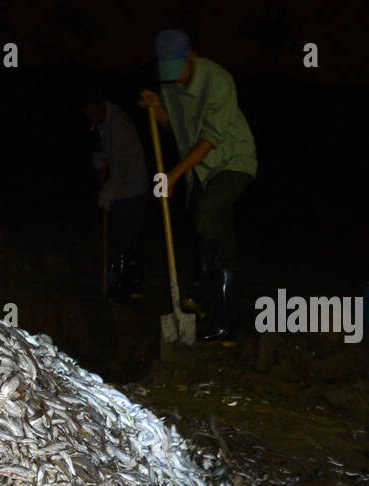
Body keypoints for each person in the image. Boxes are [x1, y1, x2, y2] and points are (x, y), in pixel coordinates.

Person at [139, 29, 257, 341]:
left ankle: (209, 300)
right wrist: (156, 107)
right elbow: (173, 125)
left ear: (192, 55)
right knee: (213, 228)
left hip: (232, 161)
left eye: (179, 70)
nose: (175, 80)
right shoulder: (170, 86)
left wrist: (173, 176)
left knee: (208, 213)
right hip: (200, 171)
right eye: (168, 73)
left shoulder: (218, 81)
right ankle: (222, 321)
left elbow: (209, 140)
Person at [83, 87, 149, 304]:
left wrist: (108, 192)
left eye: (92, 112)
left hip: (131, 188)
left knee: (124, 240)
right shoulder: (104, 122)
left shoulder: (118, 123)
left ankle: (122, 291)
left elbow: (122, 166)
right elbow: (110, 153)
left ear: (101, 104)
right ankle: (134, 286)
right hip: (124, 186)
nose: (90, 118)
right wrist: (101, 158)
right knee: (127, 239)